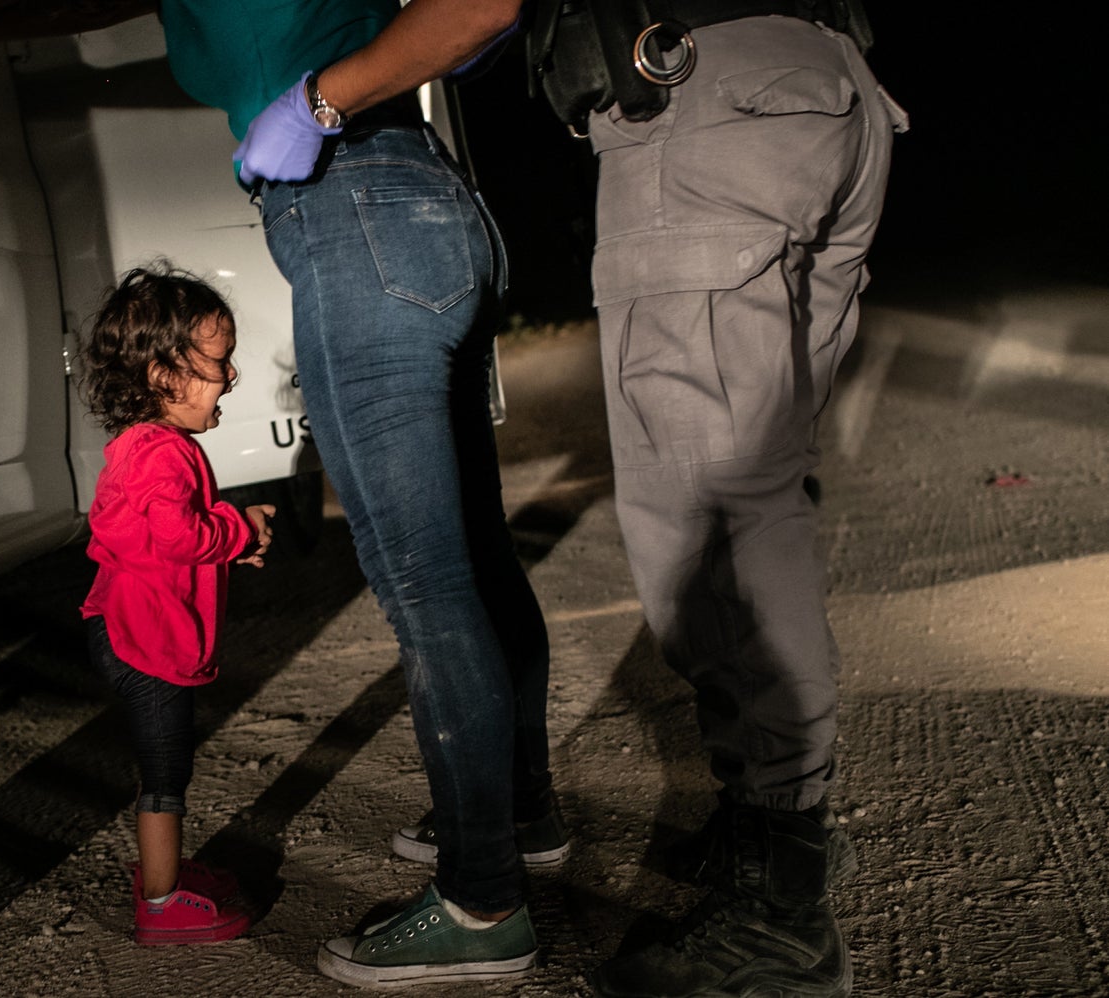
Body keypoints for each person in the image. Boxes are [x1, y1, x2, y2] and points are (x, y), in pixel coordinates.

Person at [243, 0, 906, 994]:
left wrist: (325, 97)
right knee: (758, 497)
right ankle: (768, 838)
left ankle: (780, 916)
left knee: (708, 527)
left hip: (703, 93)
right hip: (819, 82)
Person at [156, 0, 565, 988]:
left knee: (422, 575)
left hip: (351, 213)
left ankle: (480, 901)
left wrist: (315, 106)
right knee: (469, 551)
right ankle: (515, 811)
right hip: (423, 204)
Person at [78, 263, 275, 946]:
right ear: (166, 376)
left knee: (166, 765)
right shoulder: (162, 454)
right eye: (219, 363)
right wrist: (239, 528)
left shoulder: (144, 447)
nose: (230, 377)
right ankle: (160, 901)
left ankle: (167, 873)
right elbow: (176, 534)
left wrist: (228, 538)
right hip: (147, 642)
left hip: (127, 628)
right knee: (166, 773)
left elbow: (160, 534)